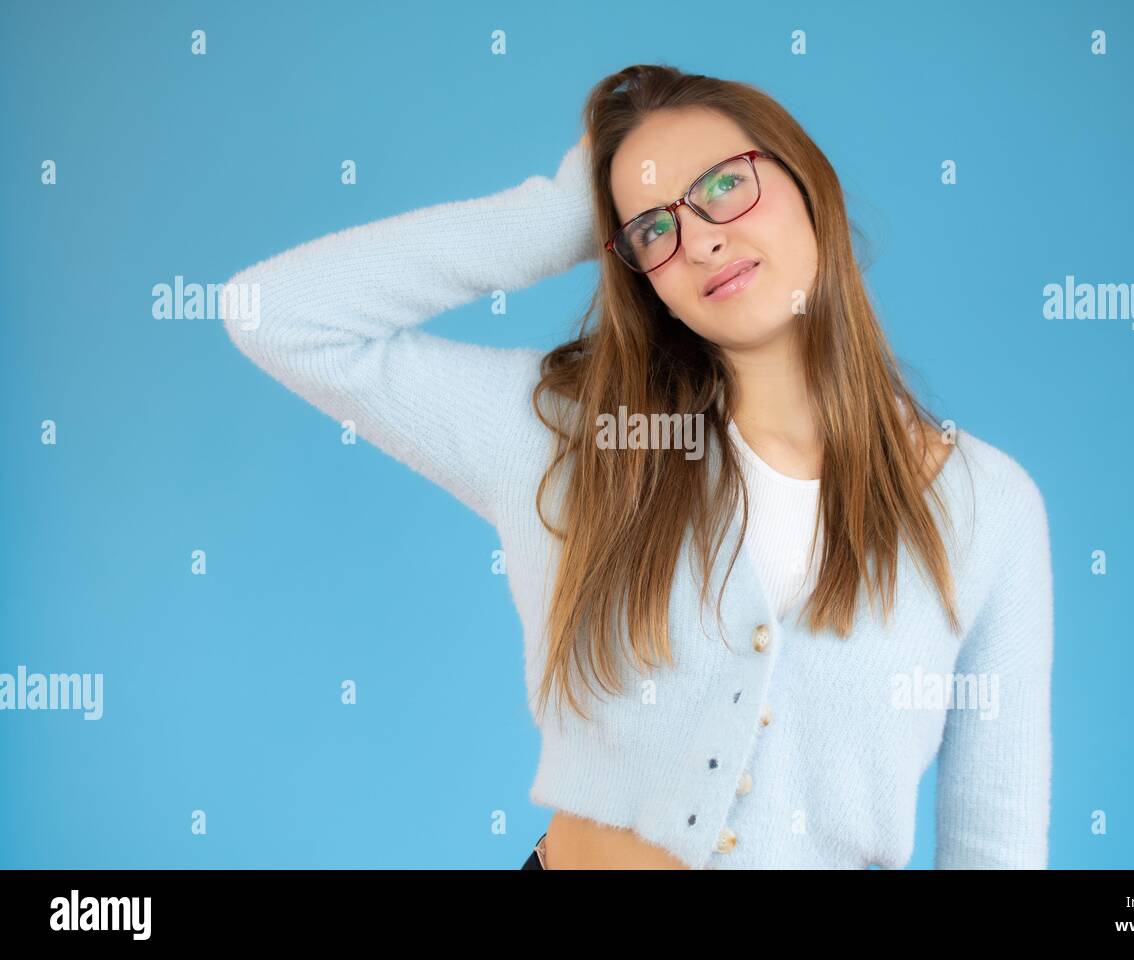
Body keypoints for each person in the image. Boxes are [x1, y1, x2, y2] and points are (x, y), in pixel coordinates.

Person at [220, 64, 1054, 871]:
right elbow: (276, 315)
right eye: (653, 227)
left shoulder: (987, 507)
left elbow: (996, 846)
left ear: (807, 183)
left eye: (726, 185)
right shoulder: (569, 437)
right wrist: (553, 218)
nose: (700, 238)